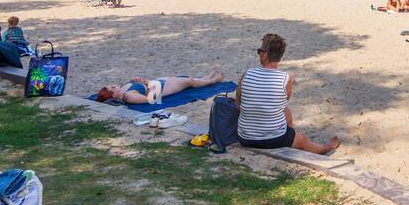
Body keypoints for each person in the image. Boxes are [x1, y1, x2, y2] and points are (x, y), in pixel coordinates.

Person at [234, 34, 339, 154]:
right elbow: (283, 102)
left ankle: (289, 137)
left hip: (244, 138)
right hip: (272, 140)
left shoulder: (248, 74)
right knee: (301, 139)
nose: (259, 54)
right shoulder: (285, 78)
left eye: (259, 51)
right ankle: (325, 148)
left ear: (265, 54)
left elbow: (238, 104)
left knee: (286, 112)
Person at [96, 70, 224, 105]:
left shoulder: (124, 90)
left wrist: (136, 81)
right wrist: (145, 84)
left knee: (184, 78)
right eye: (113, 87)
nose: (115, 85)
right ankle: (212, 81)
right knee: (188, 81)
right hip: (162, 88)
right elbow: (151, 99)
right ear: (113, 94)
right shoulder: (128, 96)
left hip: (155, 82)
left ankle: (205, 78)